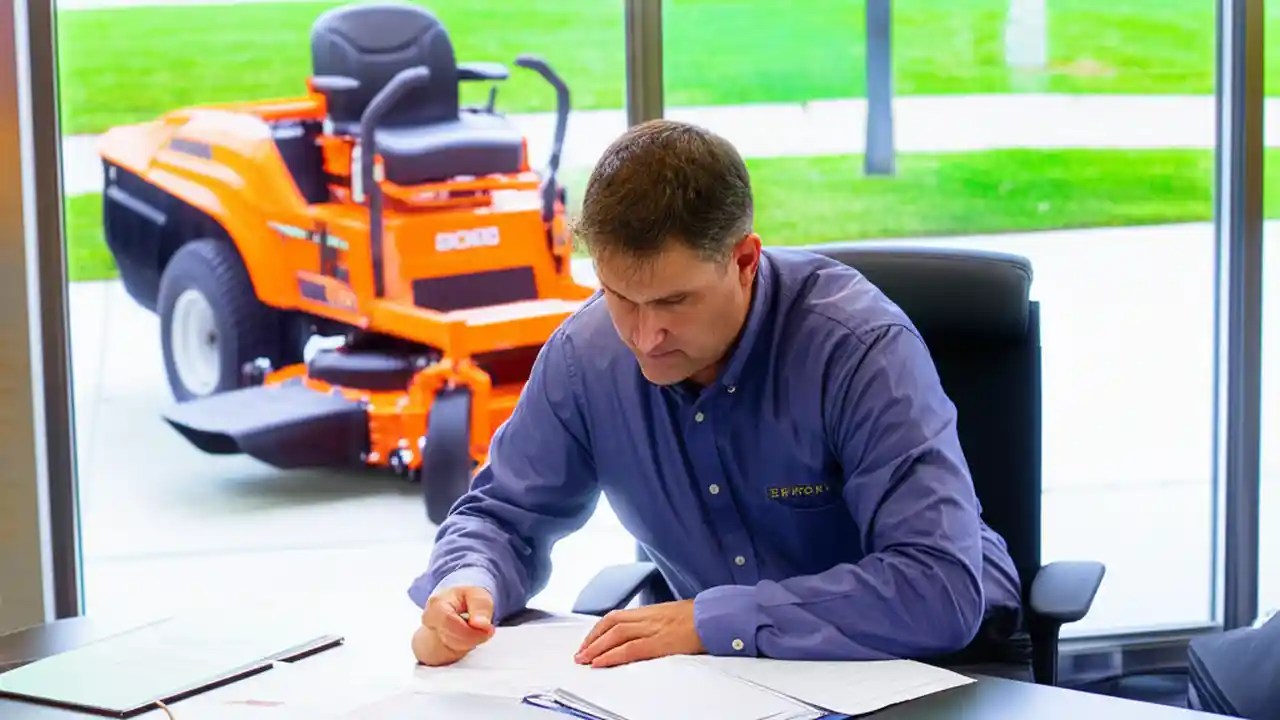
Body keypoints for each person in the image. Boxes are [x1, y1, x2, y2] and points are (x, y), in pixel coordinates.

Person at [407, 119, 1023, 669]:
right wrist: (470, 580)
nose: (645, 338)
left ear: (746, 259)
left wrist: (711, 621)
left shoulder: (857, 348)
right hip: (729, 684)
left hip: (936, 671)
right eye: (622, 297)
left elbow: (937, 588)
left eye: (674, 301)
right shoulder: (586, 355)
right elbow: (500, 517)